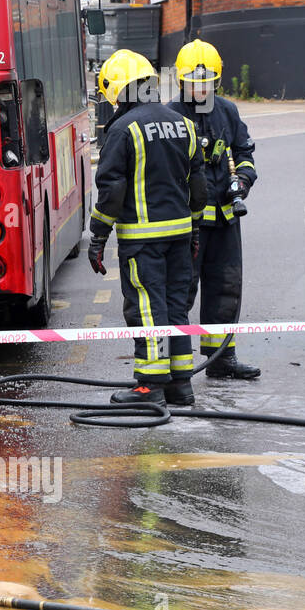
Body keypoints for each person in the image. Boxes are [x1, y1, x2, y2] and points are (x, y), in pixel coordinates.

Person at [88, 50, 208, 406]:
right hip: (181, 235)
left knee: (146, 306)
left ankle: (150, 385)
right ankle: (180, 384)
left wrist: (98, 237)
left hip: (144, 240)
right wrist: (196, 229)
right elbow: (198, 186)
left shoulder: (123, 130)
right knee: (175, 306)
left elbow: (111, 190)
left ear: (118, 90)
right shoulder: (183, 124)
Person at [168, 39, 260, 379]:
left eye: (207, 83)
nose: (201, 89)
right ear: (181, 81)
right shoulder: (171, 115)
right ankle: (174, 364)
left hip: (225, 220)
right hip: (186, 225)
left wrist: (244, 181)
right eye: (194, 82)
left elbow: (245, 152)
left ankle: (220, 360)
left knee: (225, 288)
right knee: (181, 291)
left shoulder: (227, 111)